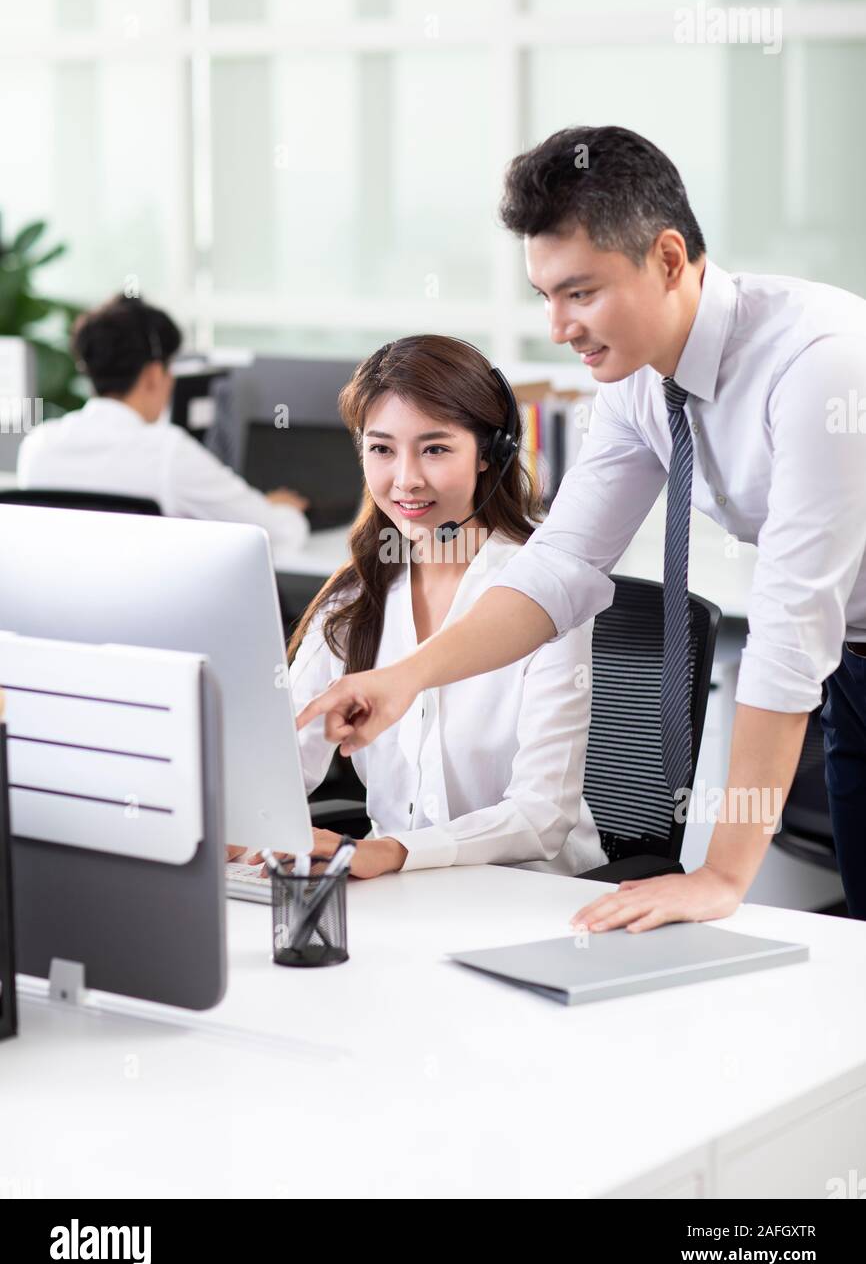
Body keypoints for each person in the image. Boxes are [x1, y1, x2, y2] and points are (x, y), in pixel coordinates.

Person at [298, 125, 866, 930]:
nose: (560, 325)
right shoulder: (637, 385)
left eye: (581, 292)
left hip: (829, 637)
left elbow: (790, 618)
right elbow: (558, 570)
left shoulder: (821, 363)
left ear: (669, 259)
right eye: (545, 296)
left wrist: (720, 874)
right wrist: (407, 677)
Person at [231, 334, 606, 878]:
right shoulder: (355, 596)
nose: (405, 478)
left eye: (435, 448)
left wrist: (391, 853)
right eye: (382, 449)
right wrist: (229, 830)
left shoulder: (543, 593)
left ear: (489, 455)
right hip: (397, 896)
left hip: (534, 901)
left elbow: (541, 816)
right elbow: (282, 764)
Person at [16, 292, 310, 559]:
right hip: (148, 615)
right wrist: (284, 511)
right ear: (155, 374)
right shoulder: (167, 453)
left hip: (55, 616)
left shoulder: (38, 445)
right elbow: (272, 534)